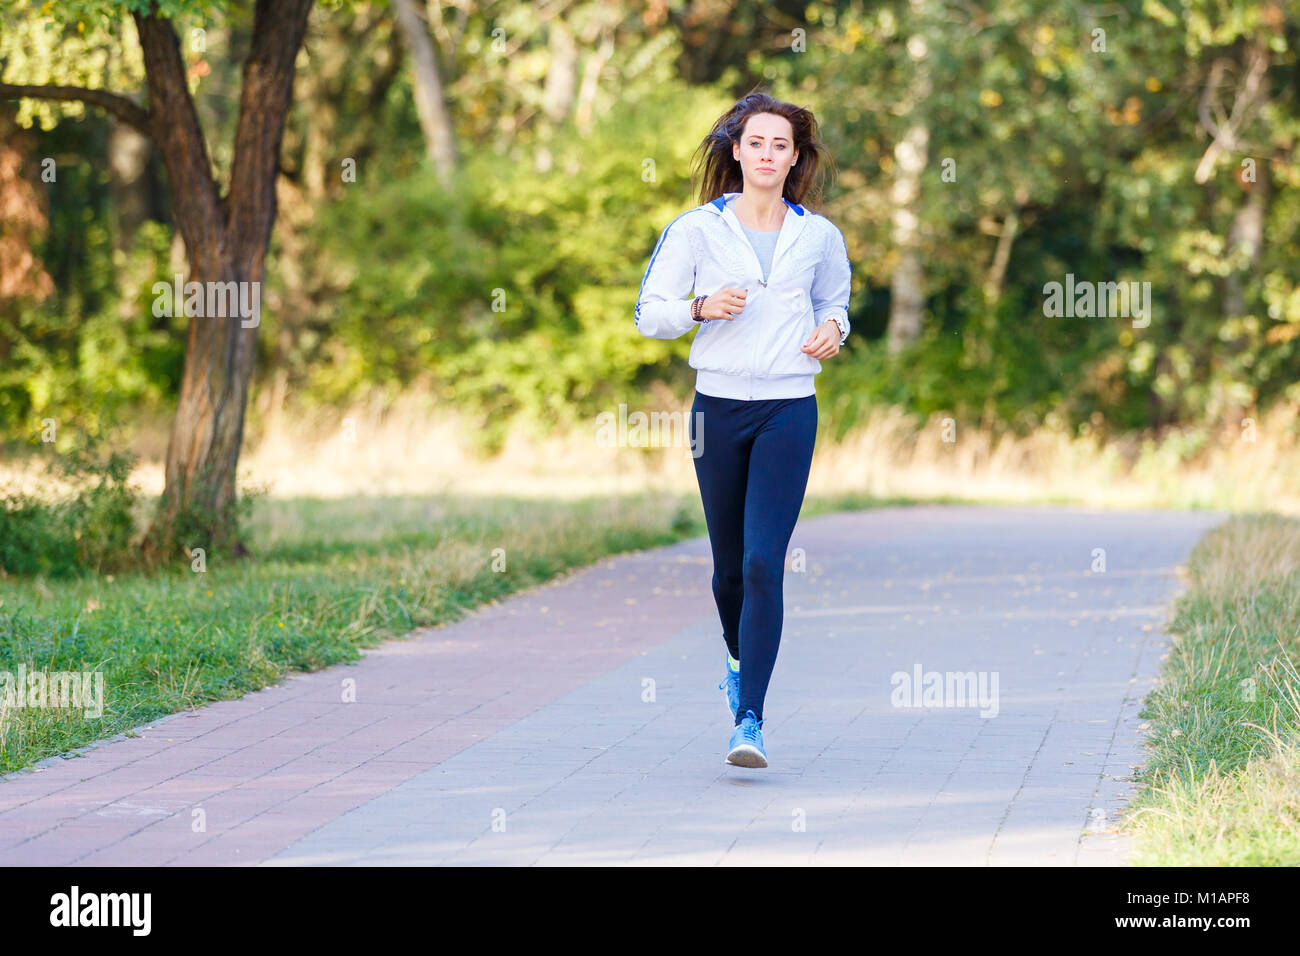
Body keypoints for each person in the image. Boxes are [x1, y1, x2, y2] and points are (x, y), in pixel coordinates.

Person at [633, 89, 852, 768]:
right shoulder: (697, 229)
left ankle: (750, 719)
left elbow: (834, 304)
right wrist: (699, 306)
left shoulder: (818, 234)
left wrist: (833, 331)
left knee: (764, 563)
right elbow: (650, 313)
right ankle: (736, 658)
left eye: (780, 145)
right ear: (737, 150)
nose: (767, 154)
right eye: (755, 142)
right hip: (717, 412)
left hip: (789, 408)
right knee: (729, 570)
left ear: (795, 158)